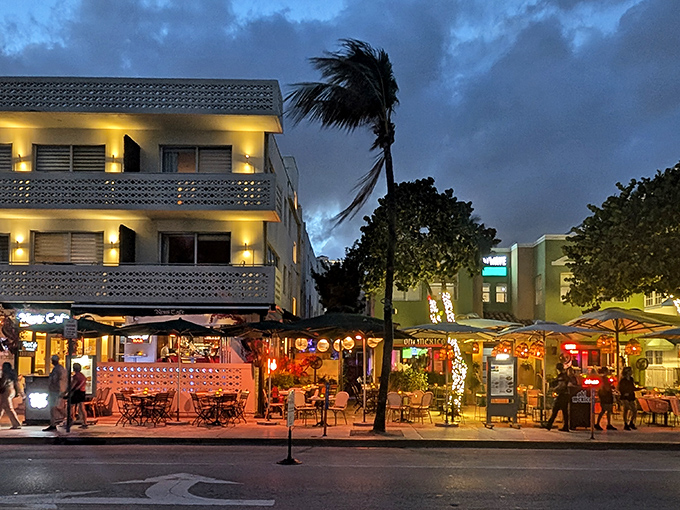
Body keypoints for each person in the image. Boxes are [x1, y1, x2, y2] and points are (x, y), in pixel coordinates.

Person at [543, 363, 571, 432]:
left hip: (562, 395)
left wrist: (555, 389)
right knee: (564, 411)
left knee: (555, 409)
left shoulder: (562, 376)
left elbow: (561, 385)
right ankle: (565, 426)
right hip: (565, 395)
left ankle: (549, 424)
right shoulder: (565, 375)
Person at [43, 354, 67, 432]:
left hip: (56, 391)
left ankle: (66, 417)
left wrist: (61, 391)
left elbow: (58, 380)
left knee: (55, 407)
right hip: (55, 390)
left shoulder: (58, 369)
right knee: (53, 407)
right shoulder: (58, 369)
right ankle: (53, 423)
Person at [0, 362, 23, 429]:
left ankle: (16, 423)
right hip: (11, 390)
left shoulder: (5, 374)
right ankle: (16, 423)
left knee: (8, 408)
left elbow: (3, 383)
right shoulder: (12, 374)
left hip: (6, 391)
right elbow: (17, 384)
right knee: (1, 407)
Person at [618, 366, 638, 430]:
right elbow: (620, 388)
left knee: (634, 410)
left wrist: (637, 389)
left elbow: (632, 387)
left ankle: (631, 422)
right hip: (625, 396)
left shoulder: (631, 379)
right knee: (626, 409)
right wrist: (624, 393)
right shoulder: (623, 380)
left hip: (631, 395)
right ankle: (625, 423)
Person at [69, 363, 88, 429]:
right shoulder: (82, 376)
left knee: (71, 406)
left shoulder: (76, 376)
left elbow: (73, 385)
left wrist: (67, 391)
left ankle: (71, 419)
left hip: (77, 392)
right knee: (82, 407)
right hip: (82, 392)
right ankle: (85, 422)